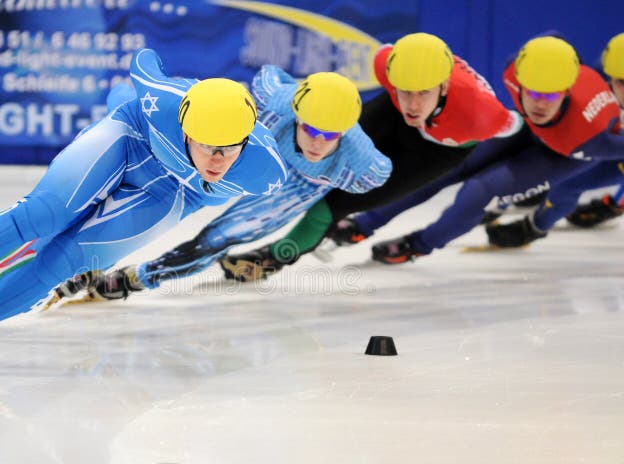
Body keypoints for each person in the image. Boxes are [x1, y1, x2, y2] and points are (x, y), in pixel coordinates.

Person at [0, 48, 288, 359]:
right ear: (184, 126)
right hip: (131, 138)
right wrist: (118, 106)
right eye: (207, 146)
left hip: (173, 193)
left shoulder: (264, 170)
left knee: (66, 259)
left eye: (229, 150)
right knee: (44, 215)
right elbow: (142, 63)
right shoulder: (160, 101)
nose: (217, 161)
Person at [42, 66, 391, 303]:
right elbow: (269, 75)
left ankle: (134, 279)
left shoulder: (362, 161)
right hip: (254, 158)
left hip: (298, 185)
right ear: (297, 114)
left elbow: (382, 178)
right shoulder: (278, 101)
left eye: (329, 135)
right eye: (311, 128)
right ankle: (91, 259)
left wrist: (325, 195)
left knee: (219, 238)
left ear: (345, 133)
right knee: (161, 204)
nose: (317, 141)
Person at [218, 32, 522, 280]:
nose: (413, 105)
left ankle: (270, 260)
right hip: (390, 115)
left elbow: (517, 126)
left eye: (423, 93)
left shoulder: (483, 114)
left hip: (438, 151)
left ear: (443, 86)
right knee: (330, 158)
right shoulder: (387, 67)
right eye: (405, 90)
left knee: (332, 205)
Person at [366, 35, 623, 263]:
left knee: (479, 191)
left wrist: (535, 226)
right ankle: (364, 222)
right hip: (532, 130)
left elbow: (571, 186)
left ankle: (419, 244)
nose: (539, 105)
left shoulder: (589, 139)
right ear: (519, 83)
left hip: (564, 153)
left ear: (566, 92)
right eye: (533, 92)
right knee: (449, 168)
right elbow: (553, 39)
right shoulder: (514, 69)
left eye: (551, 96)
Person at [486, 32, 624, 245]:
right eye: (621, 81)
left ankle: (532, 228)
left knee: (568, 184)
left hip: (609, 145)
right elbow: (556, 43)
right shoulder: (608, 66)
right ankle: (524, 197)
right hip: (600, 135)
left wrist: (614, 204)